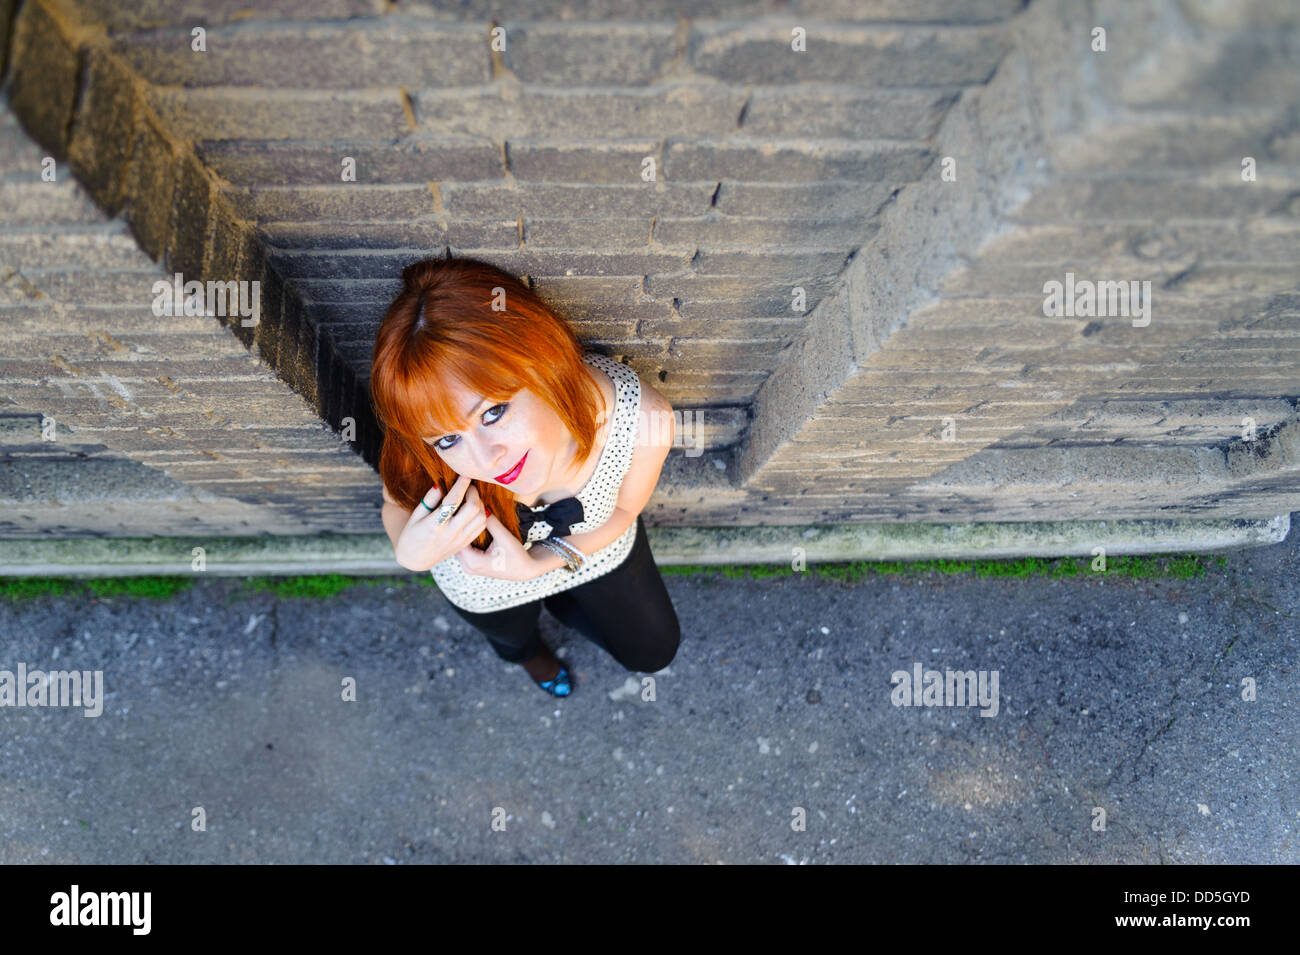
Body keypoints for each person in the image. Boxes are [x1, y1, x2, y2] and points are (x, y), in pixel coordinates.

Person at [370, 256, 681, 697]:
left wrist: (540, 564)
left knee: (653, 651)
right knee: (512, 639)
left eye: (493, 412)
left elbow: (626, 509)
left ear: (543, 361)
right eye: (446, 441)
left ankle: (559, 606)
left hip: (594, 551)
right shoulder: (429, 441)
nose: (485, 459)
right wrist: (411, 555)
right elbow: (394, 502)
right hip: (482, 580)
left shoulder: (641, 418)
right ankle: (531, 657)